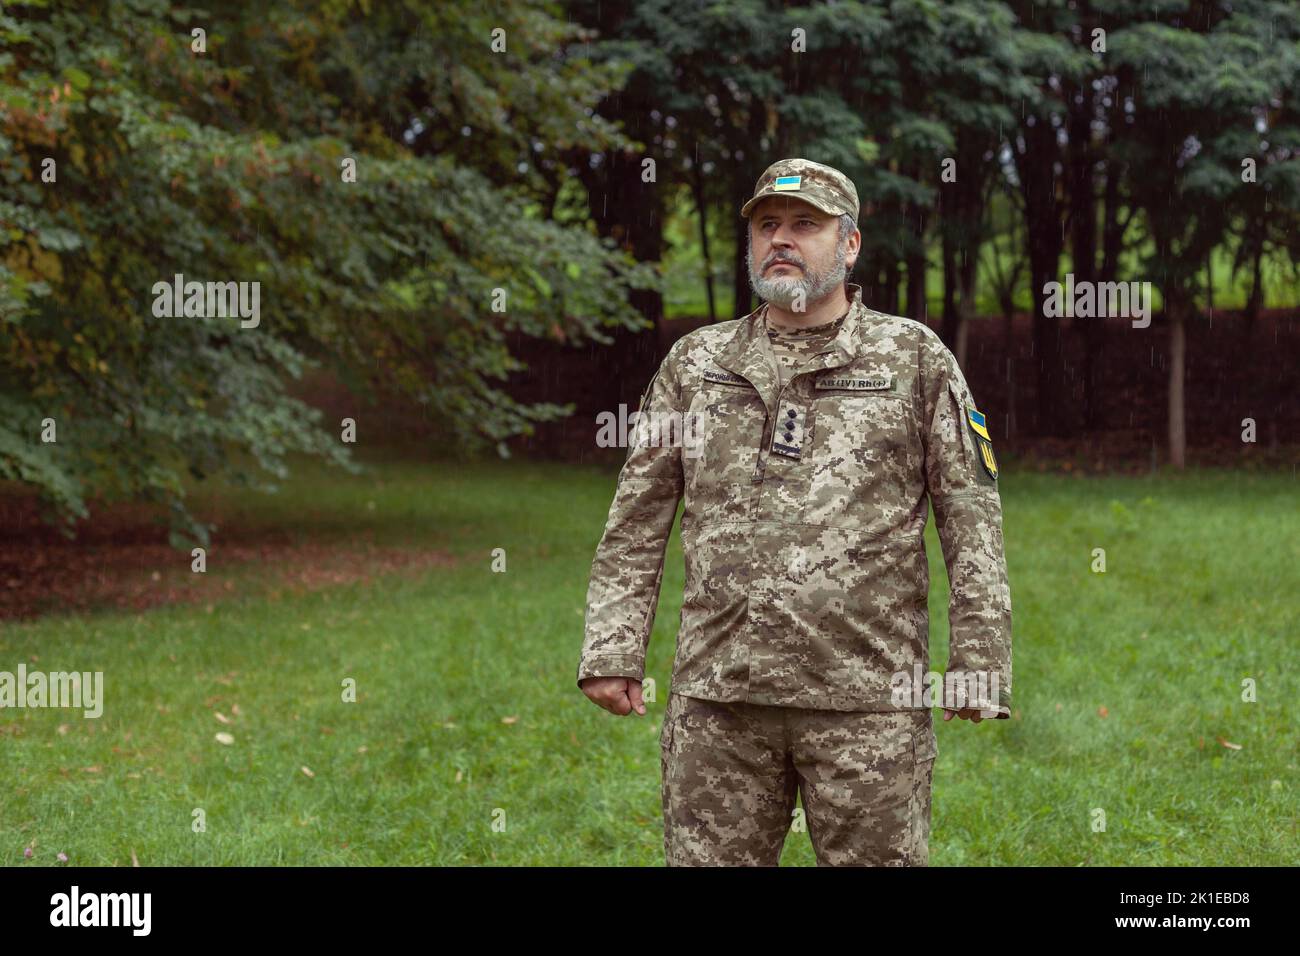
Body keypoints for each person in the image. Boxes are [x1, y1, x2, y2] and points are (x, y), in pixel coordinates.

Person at [576, 157, 1012, 866]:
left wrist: (979, 660)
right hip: (720, 699)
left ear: (850, 244)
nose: (781, 239)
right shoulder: (698, 362)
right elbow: (637, 515)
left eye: (805, 225)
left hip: (870, 698)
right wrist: (611, 649)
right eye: (767, 226)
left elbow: (970, 513)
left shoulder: (912, 359)